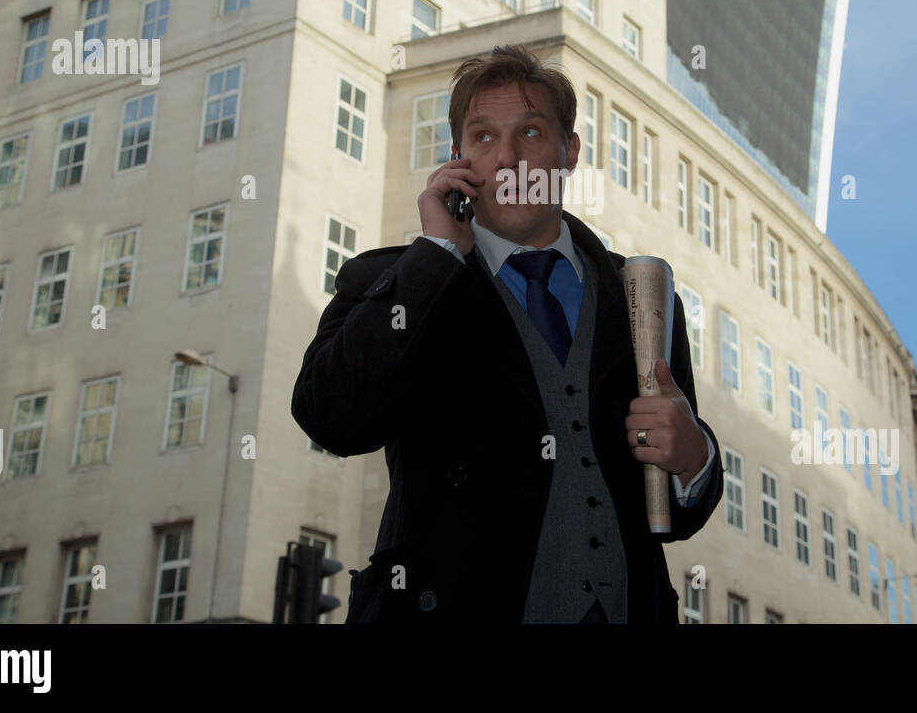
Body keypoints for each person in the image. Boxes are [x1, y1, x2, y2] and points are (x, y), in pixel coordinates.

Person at [291, 45, 723, 623]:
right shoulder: (393, 280)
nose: (510, 159)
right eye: (485, 138)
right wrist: (436, 256)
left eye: (531, 132)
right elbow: (331, 416)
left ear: (568, 152)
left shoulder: (641, 297)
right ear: (458, 159)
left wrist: (695, 459)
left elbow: (670, 515)